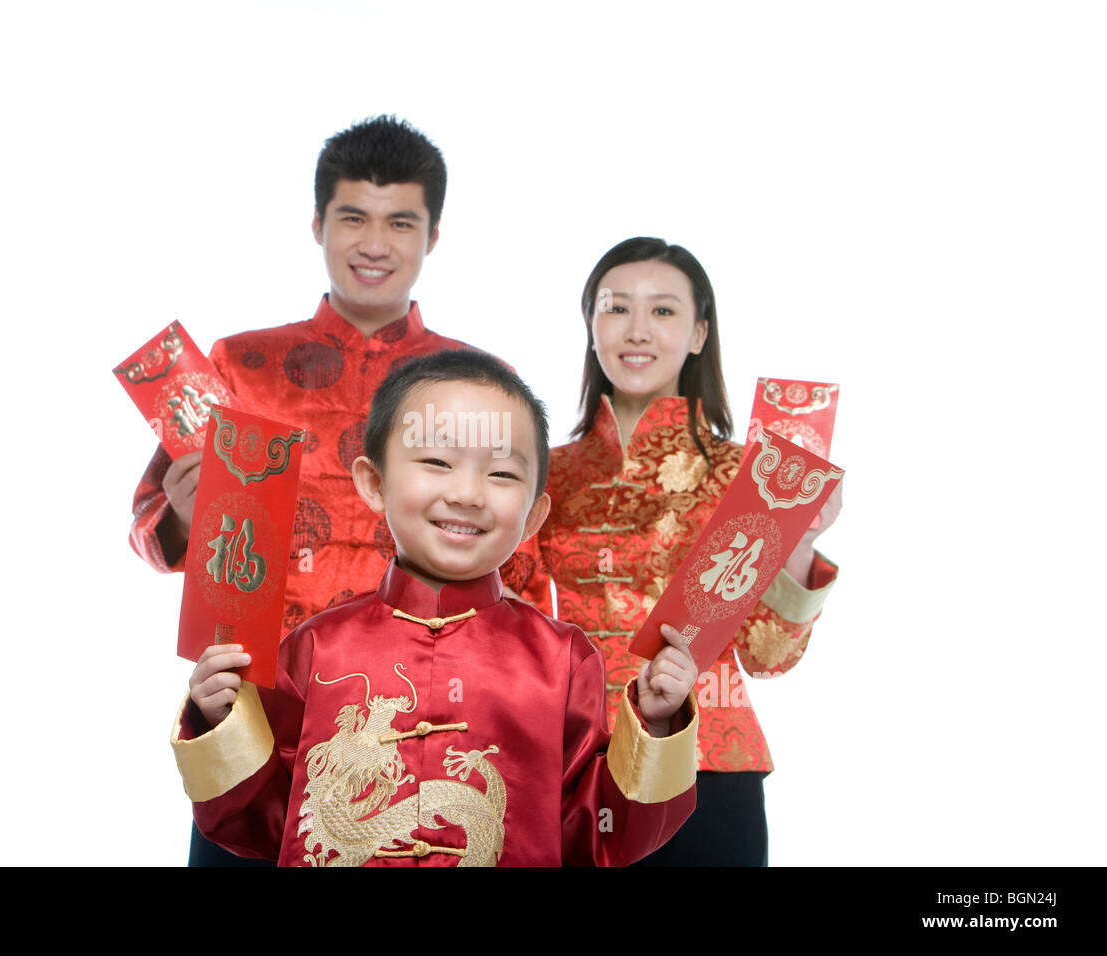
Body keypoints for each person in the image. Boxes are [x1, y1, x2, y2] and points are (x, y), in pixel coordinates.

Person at [128, 115, 544, 864]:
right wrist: (186, 517)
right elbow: (150, 528)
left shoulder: (478, 383)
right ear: (318, 223)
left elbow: (523, 560)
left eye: (400, 222)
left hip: (419, 719)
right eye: (353, 218)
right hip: (255, 710)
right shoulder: (241, 365)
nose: (375, 245)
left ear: (433, 236)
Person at [170, 350, 701, 866]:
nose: (467, 493)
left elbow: (600, 835)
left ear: (535, 514)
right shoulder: (314, 646)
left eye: (501, 475)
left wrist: (655, 727)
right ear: (374, 483)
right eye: (437, 462)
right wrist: (221, 722)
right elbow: (262, 826)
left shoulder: (562, 658)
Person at [526, 238, 841, 866]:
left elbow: (769, 656)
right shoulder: (541, 474)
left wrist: (801, 541)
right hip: (576, 760)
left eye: (664, 312)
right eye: (616, 308)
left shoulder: (744, 476)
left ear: (699, 332)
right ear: (591, 327)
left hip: (711, 763)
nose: (637, 330)